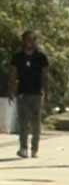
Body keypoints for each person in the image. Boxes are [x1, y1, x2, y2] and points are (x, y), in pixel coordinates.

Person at [7, 31, 50, 159]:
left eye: (32, 40)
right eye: (27, 39)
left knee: (36, 123)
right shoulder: (17, 57)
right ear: (23, 41)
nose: (29, 42)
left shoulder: (41, 57)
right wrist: (11, 90)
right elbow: (13, 75)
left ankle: (35, 149)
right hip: (23, 93)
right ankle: (23, 148)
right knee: (23, 122)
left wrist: (47, 92)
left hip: (37, 94)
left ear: (35, 41)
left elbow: (45, 76)